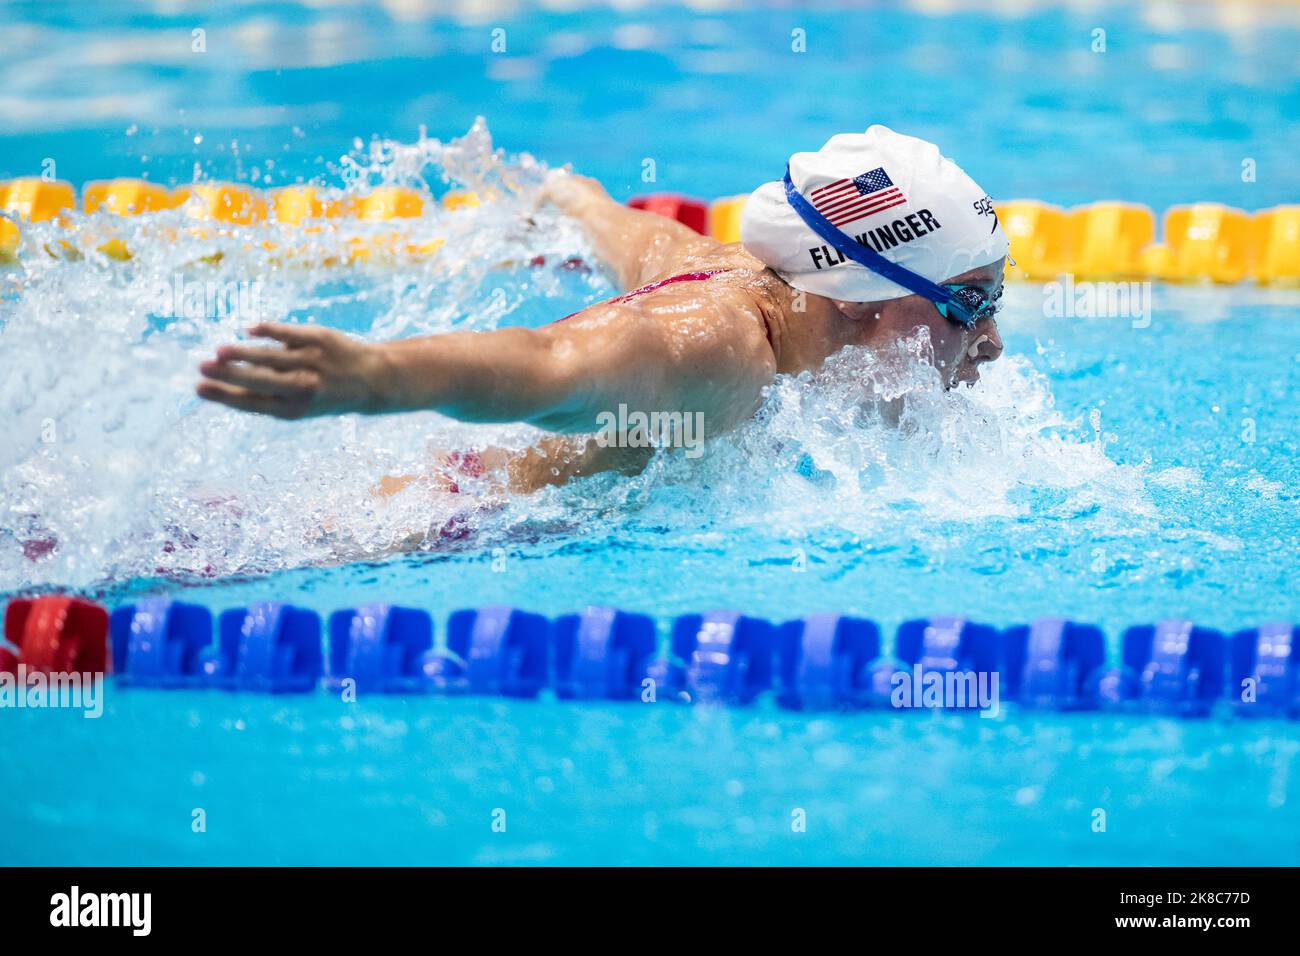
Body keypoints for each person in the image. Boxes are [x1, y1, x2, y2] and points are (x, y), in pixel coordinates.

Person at [197, 125, 1009, 493]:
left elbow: (630, 232)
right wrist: (377, 377)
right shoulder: (719, 353)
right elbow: (552, 365)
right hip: (433, 528)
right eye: (970, 304)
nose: (993, 341)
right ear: (865, 295)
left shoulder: (733, 271)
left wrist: (568, 199)